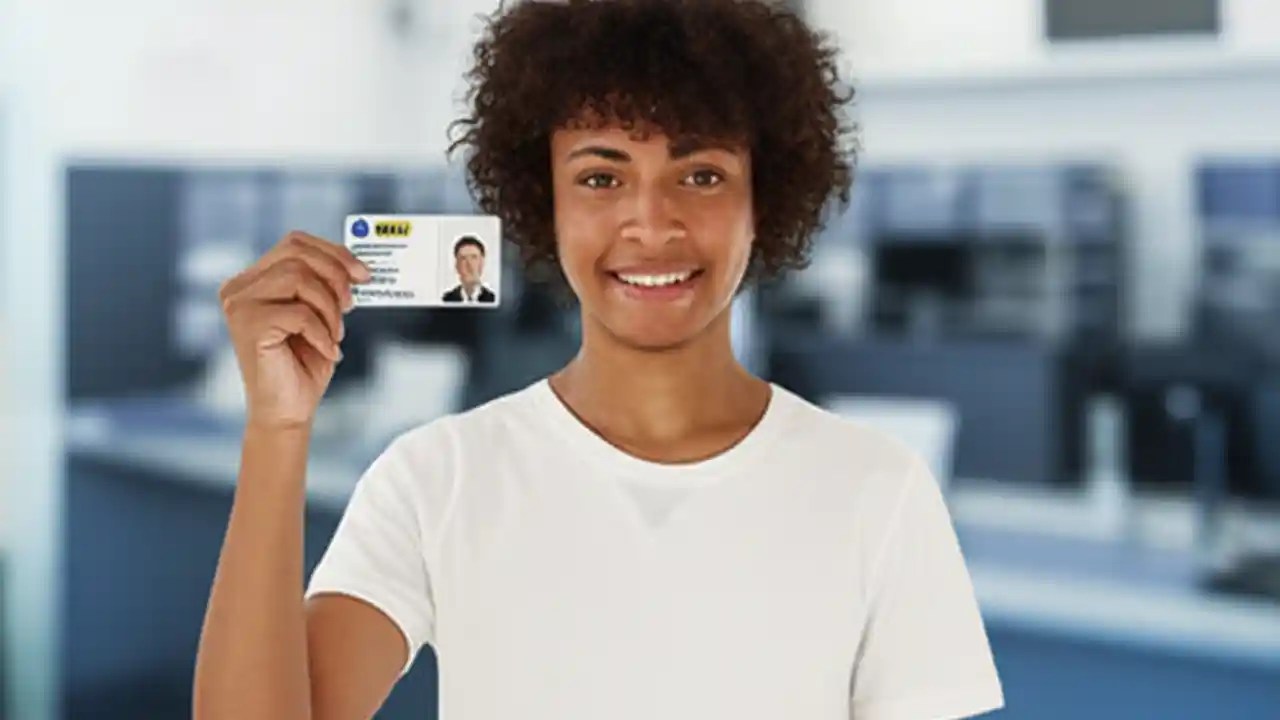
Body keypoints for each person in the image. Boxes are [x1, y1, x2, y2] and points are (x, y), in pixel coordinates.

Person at [193, 1, 1005, 718]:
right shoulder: (435, 480)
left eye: (701, 173)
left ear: (767, 201)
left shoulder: (878, 490)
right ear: (542, 204)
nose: (651, 223)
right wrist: (277, 427)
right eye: (601, 176)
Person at [440, 235, 497, 303]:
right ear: (456, 265)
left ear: (482, 263)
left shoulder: (493, 300)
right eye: (463, 258)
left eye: (474, 258)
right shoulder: (446, 300)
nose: (469, 265)